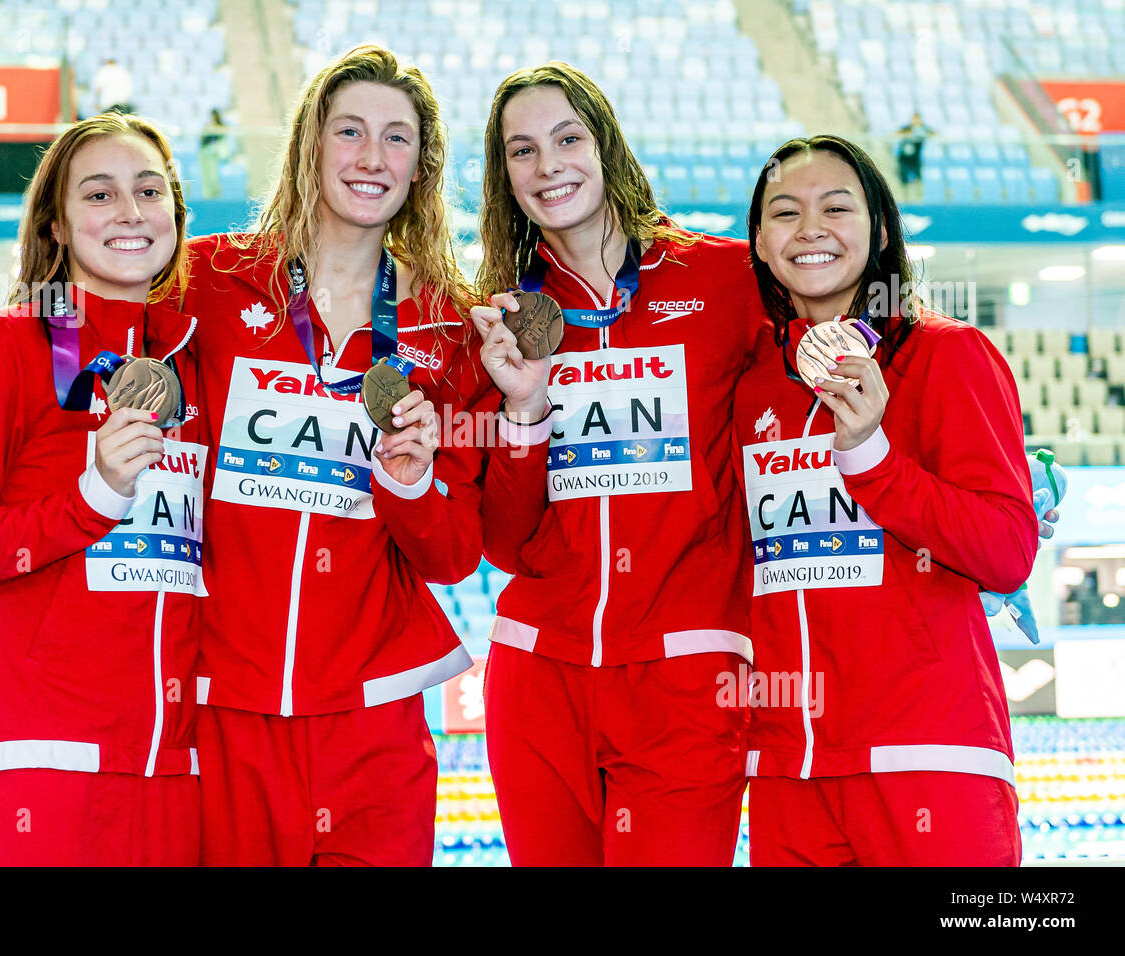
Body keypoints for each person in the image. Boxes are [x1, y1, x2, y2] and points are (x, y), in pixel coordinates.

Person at [180, 45, 494, 866]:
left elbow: (455, 553)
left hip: (374, 721)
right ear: (308, 146)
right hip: (223, 705)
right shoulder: (207, 279)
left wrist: (412, 480)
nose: (370, 157)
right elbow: (92, 346)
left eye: (397, 139)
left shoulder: (446, 325)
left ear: (421, 167)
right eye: (349, 130)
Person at [471, 63, 766, 865]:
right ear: (505, 177)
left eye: (568, 138)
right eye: (521, 151)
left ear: (606, 145)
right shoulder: (502, 314)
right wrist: (524, 411)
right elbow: (500, 539)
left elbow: (821, 384)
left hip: (687, 671)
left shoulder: (725, 279)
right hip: (539, 675)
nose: (548, 165)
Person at [0, 112, 206, 866]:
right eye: (99, 195)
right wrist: (90, 498)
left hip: (177, 772)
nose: (131, 213)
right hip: (34, 766)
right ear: (58, 226)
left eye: (148, 190)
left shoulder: (196, 364)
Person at [734, 134, 1036, 865]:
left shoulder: (947, 355)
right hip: (789, 770)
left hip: (930, 753)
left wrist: (871, 453)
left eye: (836, 207)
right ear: (759, 244)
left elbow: (1005, 553)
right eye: (785, 212)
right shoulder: (750, 386)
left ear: (881, 231)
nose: (810, 228)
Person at [894, 112, 932, 197]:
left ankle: (919, 198)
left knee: (918, 179)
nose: (916, 121)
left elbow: (933, 134)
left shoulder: (924, 129)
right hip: (904, 159)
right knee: (904, 179)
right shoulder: (907, 129)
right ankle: (905, 198)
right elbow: (896, 134)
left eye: (917, 119)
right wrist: (907, 135)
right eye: (914, 119)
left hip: (915, 159)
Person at [199, 109, 229, 199]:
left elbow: (223, 142)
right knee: (207, 175)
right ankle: (208, 194)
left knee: (214, 175)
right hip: (206, 154)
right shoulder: (208, 126)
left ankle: (216, 193)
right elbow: (202, 141)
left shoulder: (221, 128)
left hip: (216, 156)